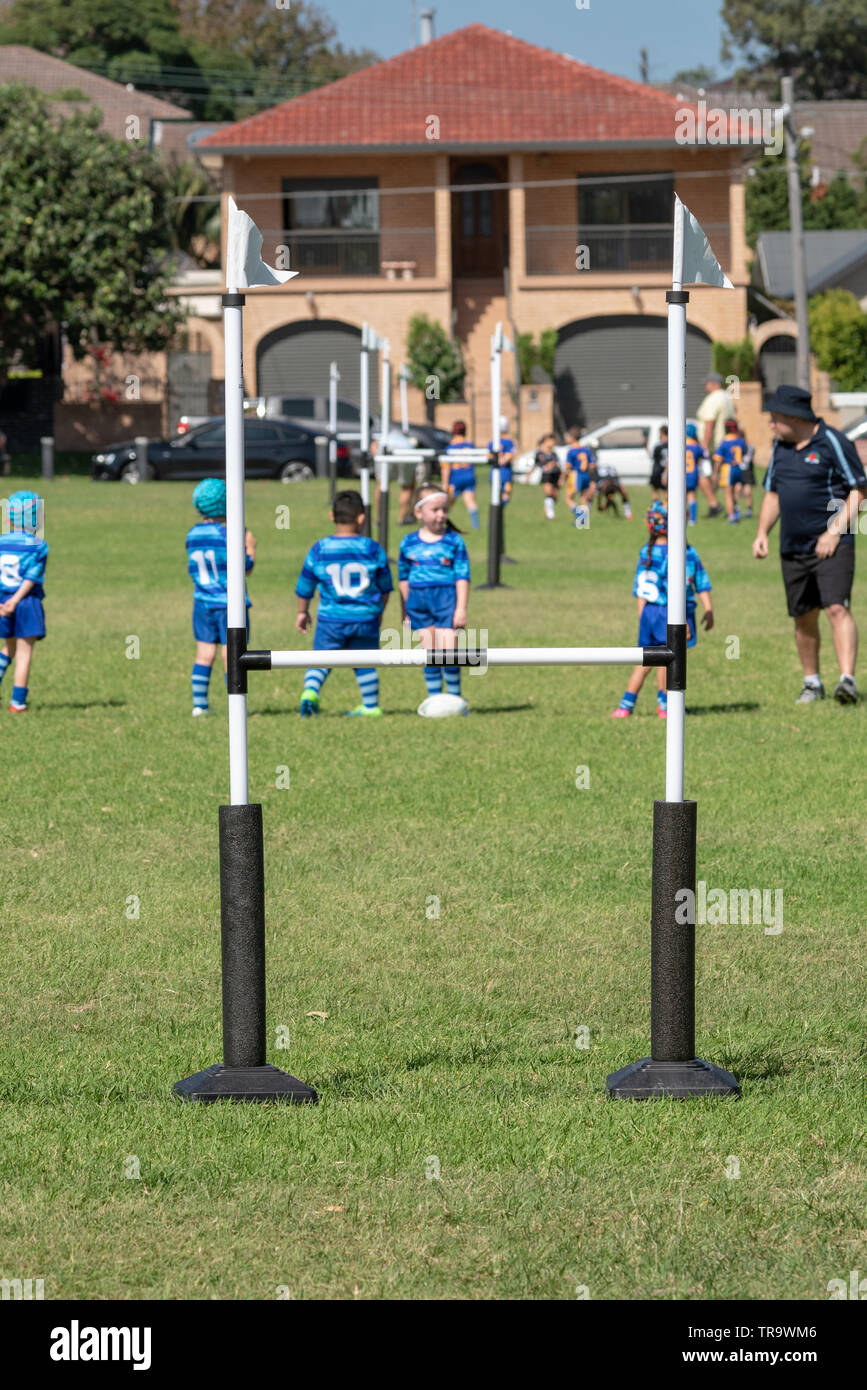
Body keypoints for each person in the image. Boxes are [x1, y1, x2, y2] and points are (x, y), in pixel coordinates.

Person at [753, 384, 867, 705]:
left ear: (794, 416)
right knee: (803, 617)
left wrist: (833, 532)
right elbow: (773, 493)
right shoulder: (780, 449)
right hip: (792, 546)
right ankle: (812, 682)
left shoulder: (833, 441)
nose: (771, 424)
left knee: (836, 608)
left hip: (834, 544)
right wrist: (762, 533)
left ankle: (847, 680)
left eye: (775, 418)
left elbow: (859, 490)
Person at [295, 489, 393, 718]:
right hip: (365, 617)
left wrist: (302, 612)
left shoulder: (320, 549)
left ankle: (310, 691)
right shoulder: (372, 549)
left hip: (331, 618)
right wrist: (379, 610)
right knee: (365, 661)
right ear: (362, 518)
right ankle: (370, 706)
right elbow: (385, 587)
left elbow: (305, 585)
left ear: (332, 516)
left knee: (321, 659)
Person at [612, 502, 713, 719]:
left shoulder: (646, 551)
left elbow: (640, 588)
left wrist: (642, 614)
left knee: (647, 660)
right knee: (669, 660)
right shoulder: (680, 553)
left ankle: (626, 705)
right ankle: (666, 706)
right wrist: (689, 617)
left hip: (649, 612)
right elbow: (684, 586)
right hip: (670, 612)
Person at [186, 477, 256, 717]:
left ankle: (199, 705)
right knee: (232, 654)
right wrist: (250, 547)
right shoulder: (230, 534)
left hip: (203, 602)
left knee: (204, 653)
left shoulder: (192, 535)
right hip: (229, 604)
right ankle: (236, 704)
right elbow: (245, 567)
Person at [398, 484, 470, 709]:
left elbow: (462, 576)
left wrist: (460, 608)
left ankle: (456, 699)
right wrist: (407, 610)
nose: (441, 515)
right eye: (435, 510)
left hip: (446, 600)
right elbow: (403, 578)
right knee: (429, 653)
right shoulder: (408, 542)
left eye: (444, 510)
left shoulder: (454, 541)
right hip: (419, 602)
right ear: (419, 512)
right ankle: (434, 700)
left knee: (449, 652)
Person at [0, 490, 49, 713]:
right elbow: (31, 578)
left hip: (3, 601)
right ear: (36, 518)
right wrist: (16, 600)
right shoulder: (38, 546)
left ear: (9, 518)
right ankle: (18, 703)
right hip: (25, 602)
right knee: (23, 653)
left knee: (7, 648)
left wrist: (5, 603)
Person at [696, 372, 730, 516]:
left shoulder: (713, 399)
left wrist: (703, 445)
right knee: (723, 479)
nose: (705, 386)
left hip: (713, 446)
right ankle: (731, 508)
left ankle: (714, 504)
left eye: (707, 383)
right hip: (725, 445)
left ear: (714, 384)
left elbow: (710, 422)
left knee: (701, 474)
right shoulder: (727, 397)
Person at [440, 420, 480, 529]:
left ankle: (440, 522)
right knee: (470, 501)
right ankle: (476, 525)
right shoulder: (470, 446)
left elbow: (446, 468)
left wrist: (444, 484)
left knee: (447, 504)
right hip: (469, 477)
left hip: (455, 479)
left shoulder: (450, 448)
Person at [713, 417, 745, 523]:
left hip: (728, 468)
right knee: (735, 494)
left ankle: (731, 516)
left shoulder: (724, 442)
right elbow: (744, 453)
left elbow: (718, 459)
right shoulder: (740, 440)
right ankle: (736, 511)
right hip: (739, 468)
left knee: (728, 495)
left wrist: (715, 473)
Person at [565, 427, 597, 522]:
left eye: (568, 437)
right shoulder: (586, 449)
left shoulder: (571, 450)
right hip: (586, 475)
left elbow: (568, 466)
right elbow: (592, 465)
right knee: (583, 497)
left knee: (568, 498)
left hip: (576, 474)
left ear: (572, 437)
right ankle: (583, 522)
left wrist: (563, 477)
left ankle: (580, 517)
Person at [487, 415, 515, 507]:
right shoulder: (509, 442)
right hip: (505, 473)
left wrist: (495, 461)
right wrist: (501, 461)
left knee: (496, 496)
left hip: (493, 472)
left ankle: (495, 518)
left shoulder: (492, 442)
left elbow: (488, 457)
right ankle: (496, 518)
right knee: (506, 496)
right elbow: (508, 457)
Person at [535, 432, 562, 519]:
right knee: (549, 493)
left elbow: (559, 464)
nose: (553, 443)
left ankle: (547, 508)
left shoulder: (554, 453)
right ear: (546, 441)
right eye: (551, 441)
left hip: (556, 475)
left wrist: (555, 464)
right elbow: (539, 464)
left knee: (555, 496)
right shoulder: (540, 453)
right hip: (547, 475)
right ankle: (550, 515)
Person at [649, 425, 668, 503]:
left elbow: (653, 457)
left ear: (662, 433)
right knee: (663, 491)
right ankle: (661, 510)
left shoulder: (659, 446)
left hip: (659, 471)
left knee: (660, 491)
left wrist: (664, 474)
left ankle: (660, 510)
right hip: (662, 471)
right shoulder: (672, 445)